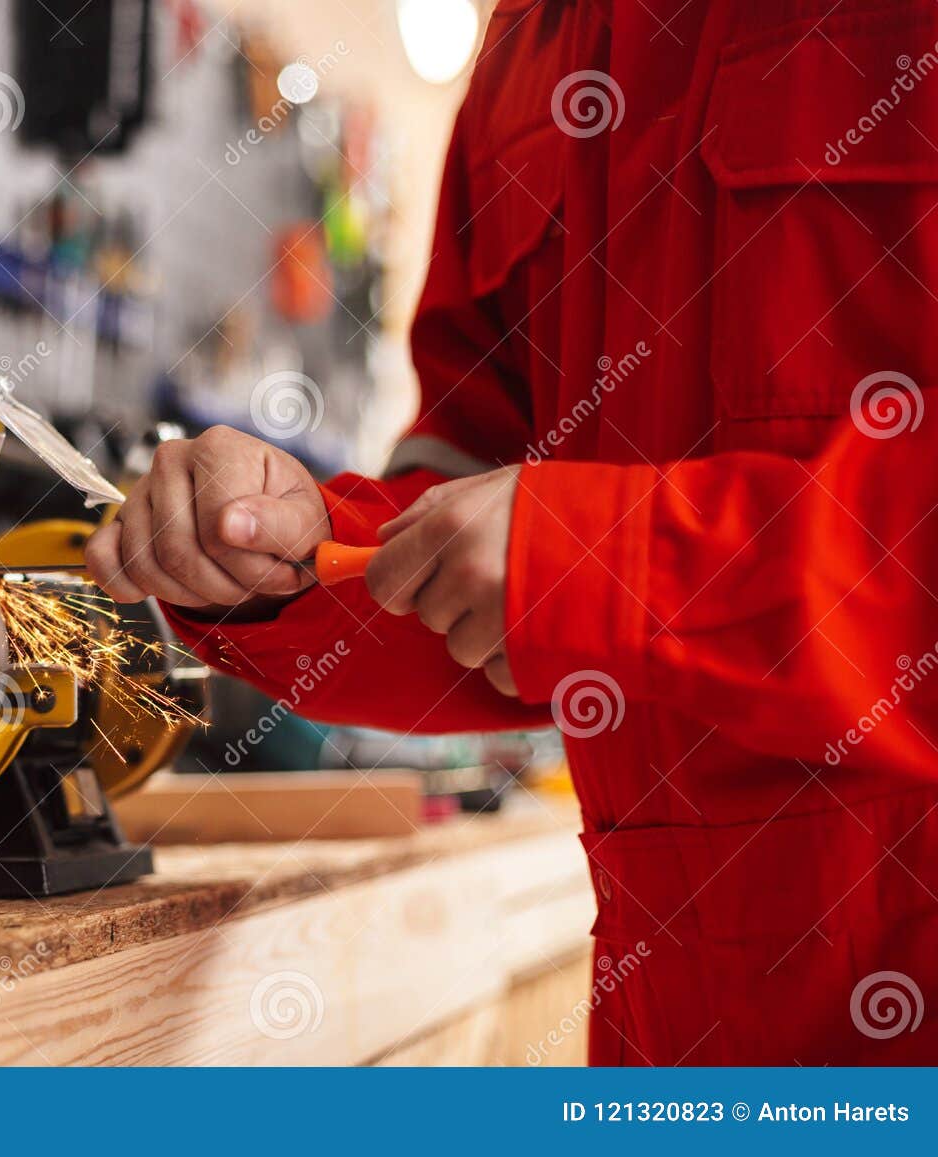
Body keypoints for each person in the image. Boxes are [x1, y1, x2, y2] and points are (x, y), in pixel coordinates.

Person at [86, 0, 938, 1065]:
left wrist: (613, 564)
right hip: (678, 1025)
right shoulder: (533, 39)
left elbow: (557, 555)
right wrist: (272, 560)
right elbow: (473, 519)